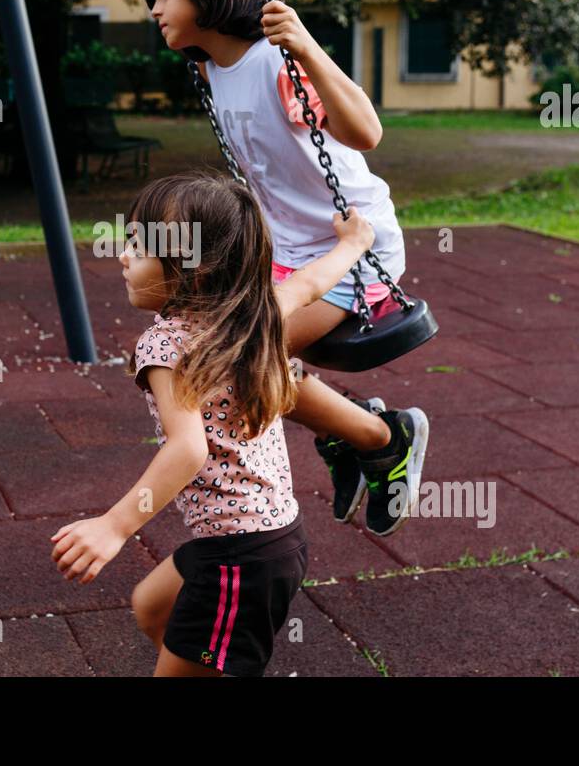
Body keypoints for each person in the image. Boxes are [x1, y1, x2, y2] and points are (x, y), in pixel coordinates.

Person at [50, 171, 425, 676]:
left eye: (137, 249)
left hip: (239, 556)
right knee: (152, 607)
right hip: (268, 537)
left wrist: (114, 526)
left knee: (183, 637)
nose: (121, 256)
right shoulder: (255, 314)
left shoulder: (165, 347)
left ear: (195, 270)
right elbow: (313, 282)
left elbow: (187, 450)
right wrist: (356, 242)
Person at [144, 0, 430, 535]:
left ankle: (382, 437)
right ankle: (357, 432)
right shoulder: (212, 72)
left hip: (352, 243)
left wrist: (306, 46)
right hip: (287, 249)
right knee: (220, 348)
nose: (155, 8)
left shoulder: (279, 61)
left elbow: (366, 133)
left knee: (235, 356)